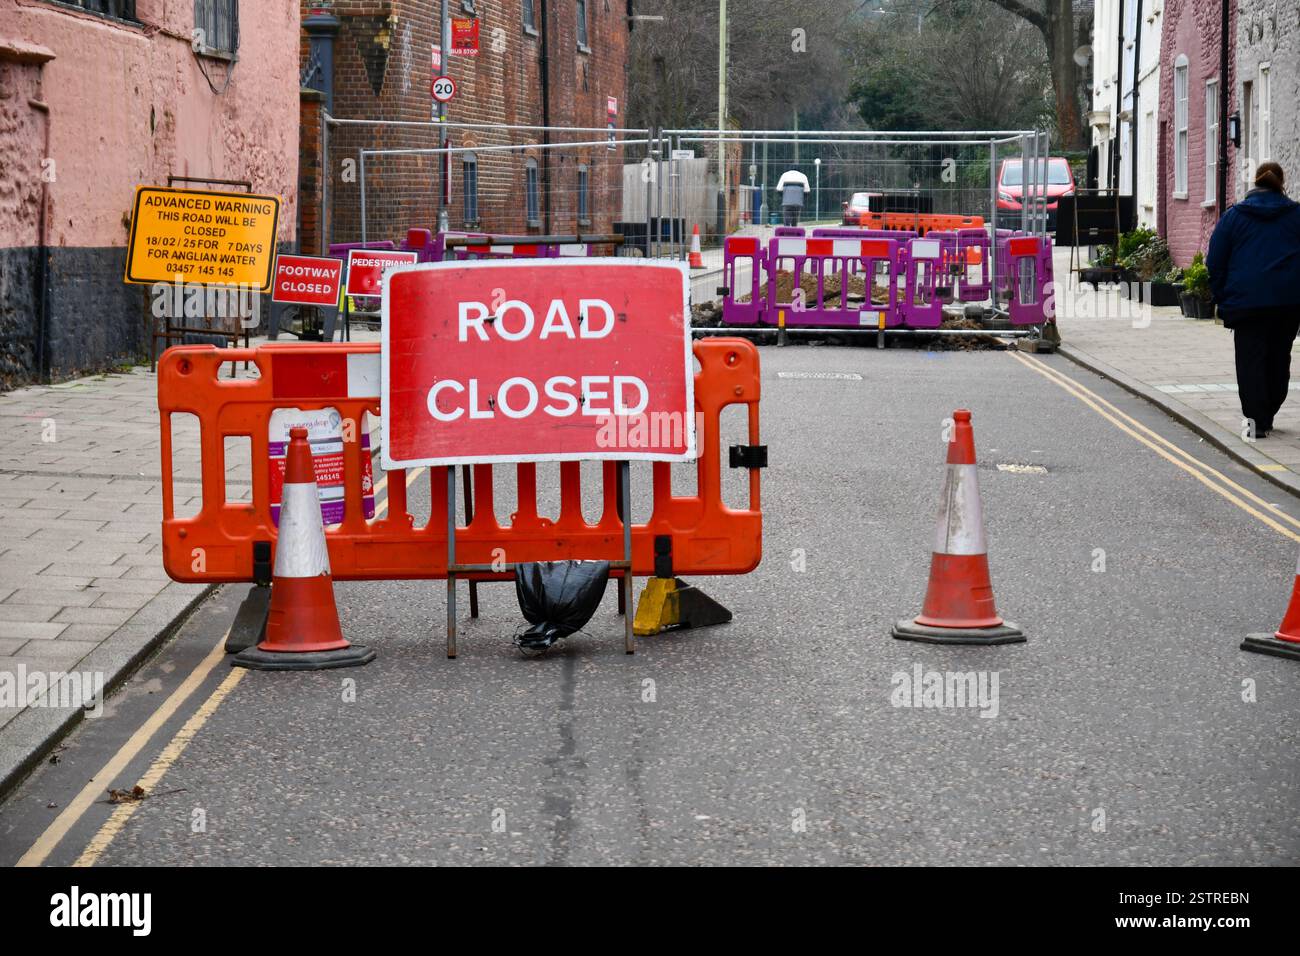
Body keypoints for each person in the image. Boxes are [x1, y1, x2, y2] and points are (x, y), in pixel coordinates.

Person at [1207, 162, 1300, 438]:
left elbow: (1215, 262)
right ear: (1281, 184)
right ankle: (1268, 410)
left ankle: (1256, 420)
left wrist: (1223, 295)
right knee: (1278, 358)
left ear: (1255, 183)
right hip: (1287, 303)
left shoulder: (1233, 217)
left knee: (1249, 361)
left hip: (1246, 303)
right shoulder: (1296, 216)